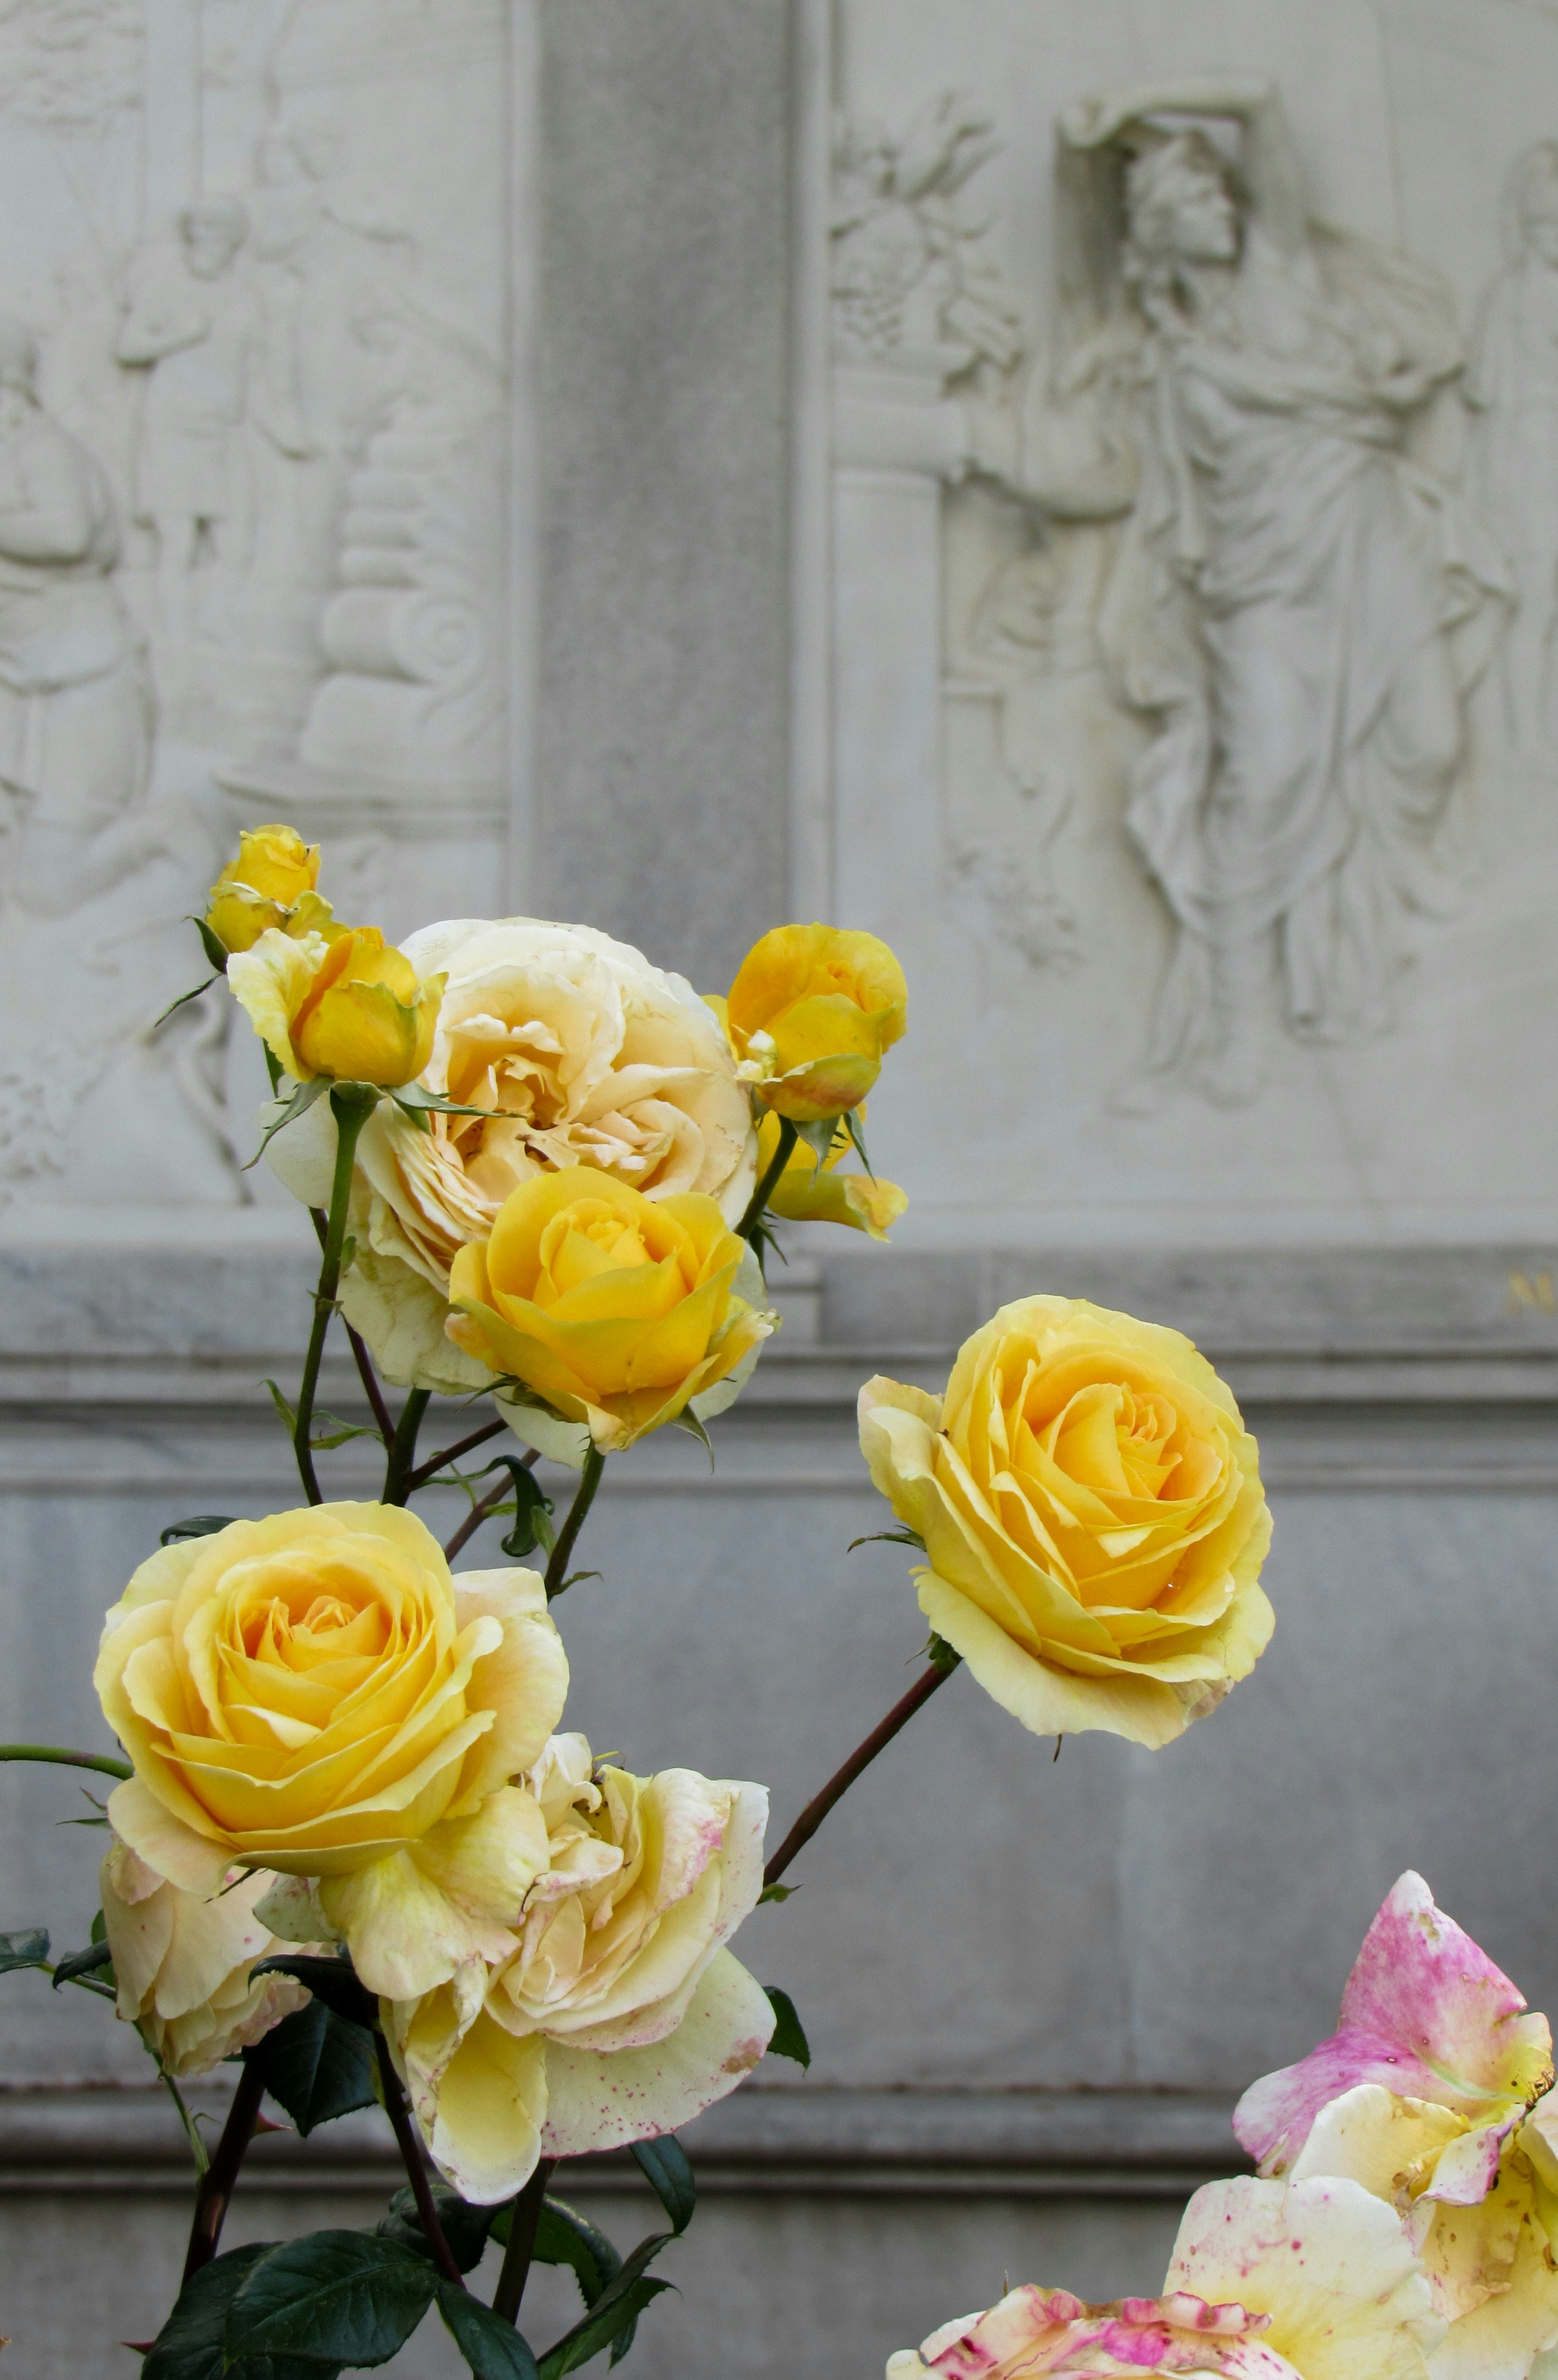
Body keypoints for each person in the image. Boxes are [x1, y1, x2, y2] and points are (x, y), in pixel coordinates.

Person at [1021, 80, 1508, 1106]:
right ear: (1153, 227)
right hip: (1258, 591)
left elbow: (1265, 111)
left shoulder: (1280, 273)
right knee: (1261, 789)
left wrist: (1135, 105)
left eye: (1214, 186)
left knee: (1429, 744)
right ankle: (1234, 1028)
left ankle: (1363, 968)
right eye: (1189, 194)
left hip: (1368, 549)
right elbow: (1130, 480)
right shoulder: (1172, 355)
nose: (1217, 202)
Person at [0, 318, 166, 919]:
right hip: (23, 698)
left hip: (85, 695)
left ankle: (175, 838)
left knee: (48, 889)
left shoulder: (41, 450)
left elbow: (67, 531)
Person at [1468, 141, 1558, 759]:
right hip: (1534, 457)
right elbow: (1480, 386)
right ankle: (1530, 744)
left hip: (1533, 446)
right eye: (1545, 224)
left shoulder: (1513, 294)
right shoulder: (1516, 296)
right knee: (1537, 605)